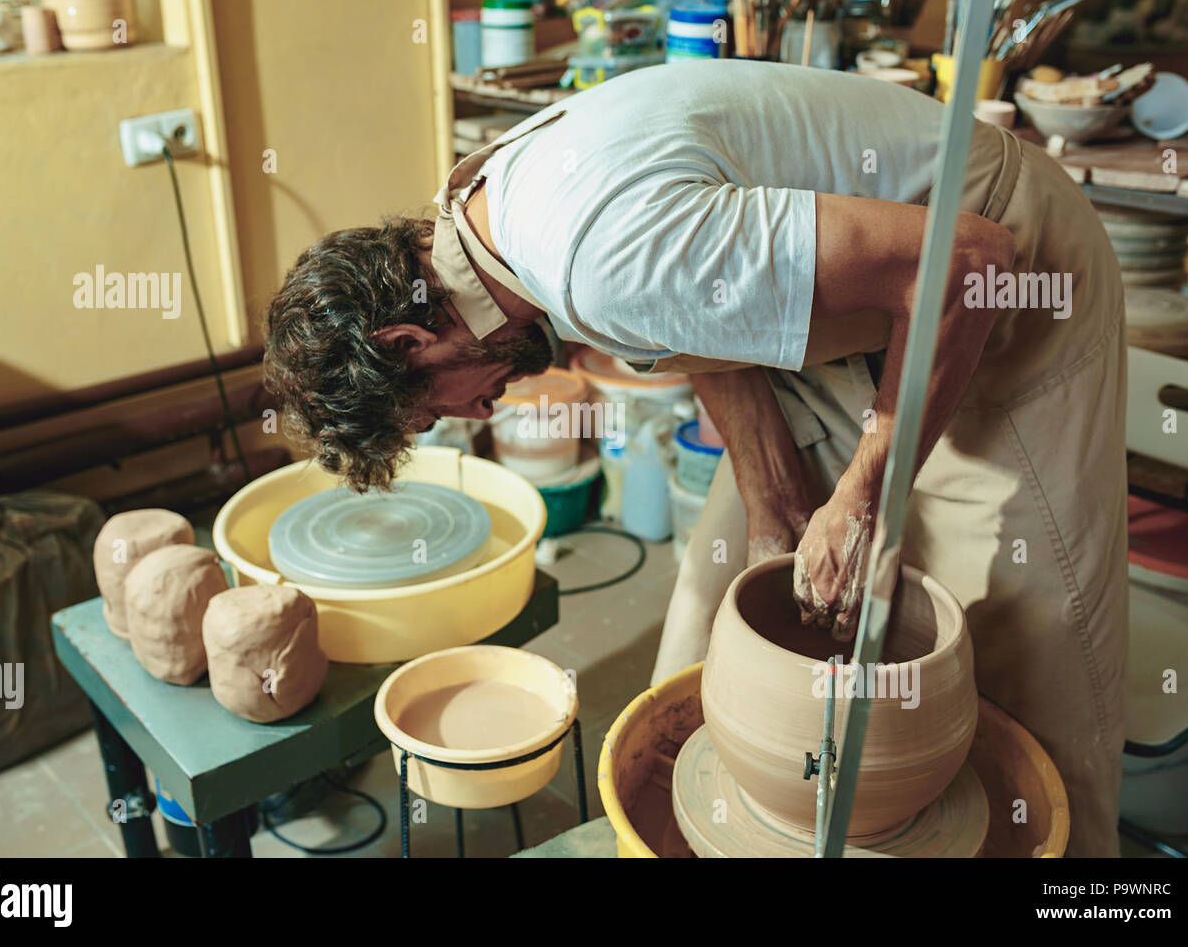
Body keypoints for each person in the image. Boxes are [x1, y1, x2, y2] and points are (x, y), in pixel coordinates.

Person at [264, 61, 1127, 856]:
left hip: (1004, 290)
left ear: (410, 338)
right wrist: (772, 499)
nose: (474, 413)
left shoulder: (598, 255)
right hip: (857, 318)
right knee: (712, 624)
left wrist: (864, 491)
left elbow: (965, 264)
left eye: (430, 411)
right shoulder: (482, 225)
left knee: (1017, 676)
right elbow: (696, 326)